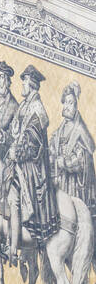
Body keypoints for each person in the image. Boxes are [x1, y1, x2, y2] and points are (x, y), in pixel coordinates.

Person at [6, 64, 59, 265]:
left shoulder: (37, 110)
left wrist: (16, 153)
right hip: (19, 159)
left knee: (13, 196)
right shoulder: (24, 105)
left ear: (32, 84)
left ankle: (13, 248)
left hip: (32, 168)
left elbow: (32, 144)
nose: (22, 85)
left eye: (24, 82)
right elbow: (17, 132)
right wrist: (6, 138)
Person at [49, 81, 96, 221]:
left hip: (74, 184)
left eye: (71, 103)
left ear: (76, 106)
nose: (67, 106)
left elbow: (83, 158)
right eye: (65, 102)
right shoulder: (61, 128)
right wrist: (51, 156)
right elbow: (52, 146)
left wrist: (66, 163)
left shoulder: (80, 130)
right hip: (60, 180)